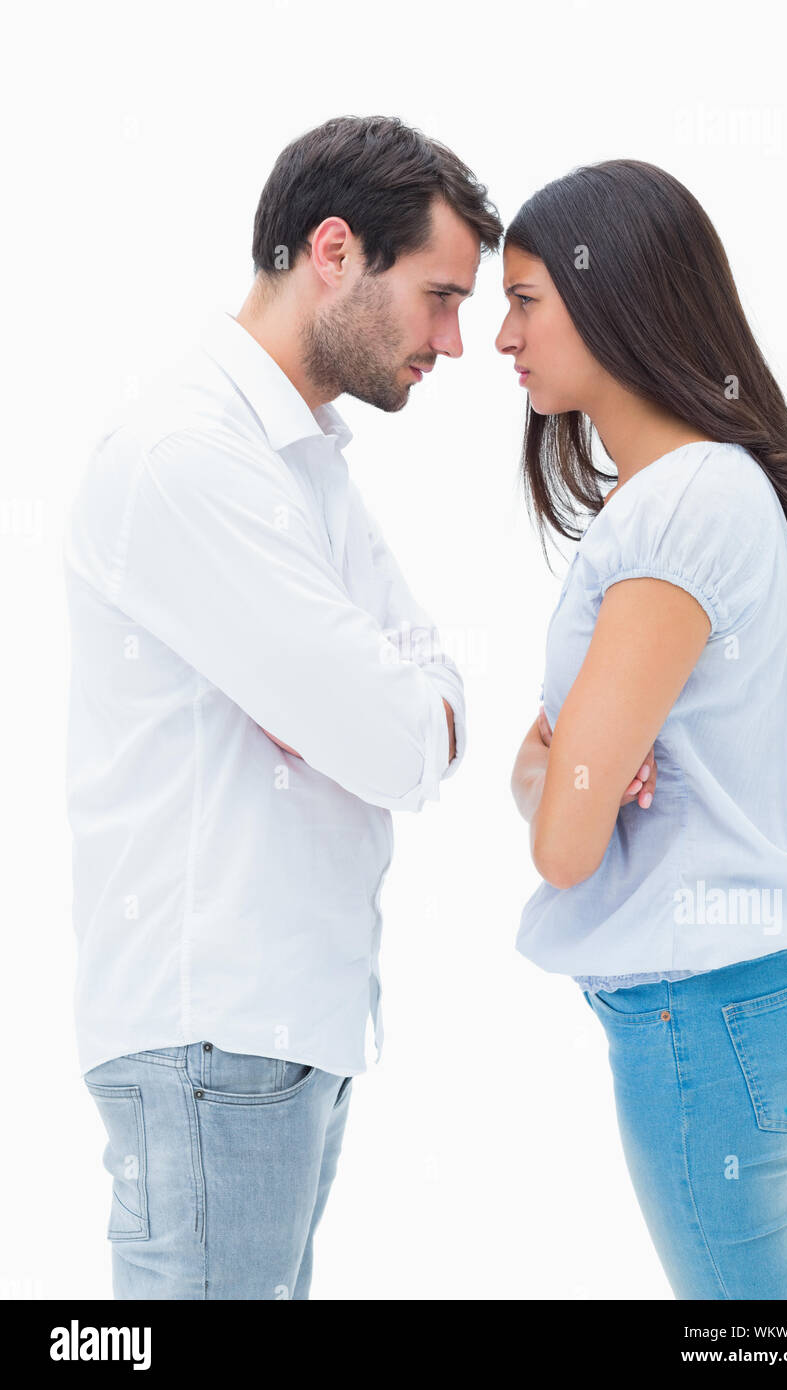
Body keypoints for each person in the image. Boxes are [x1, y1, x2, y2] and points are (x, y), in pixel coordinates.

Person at [65, 114, 502, 1299]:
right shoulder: (188, 456)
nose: (456, 342)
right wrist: (382, 710)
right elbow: (393, 734)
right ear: (333, 250)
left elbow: (433, 703)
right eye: (440, 296)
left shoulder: (302, 456)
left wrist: (383, 706)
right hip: (216, 1035)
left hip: (283, 1035)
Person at [502, 158, 787, 1299]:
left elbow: (564, 843)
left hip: (699, 1009)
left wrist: (548, 769)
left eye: (522, 301)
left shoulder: (680, 505)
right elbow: (557, 785)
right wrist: (549, 769)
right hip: (726, 998)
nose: (501, 339)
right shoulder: (696, 492)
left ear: (609, 300)